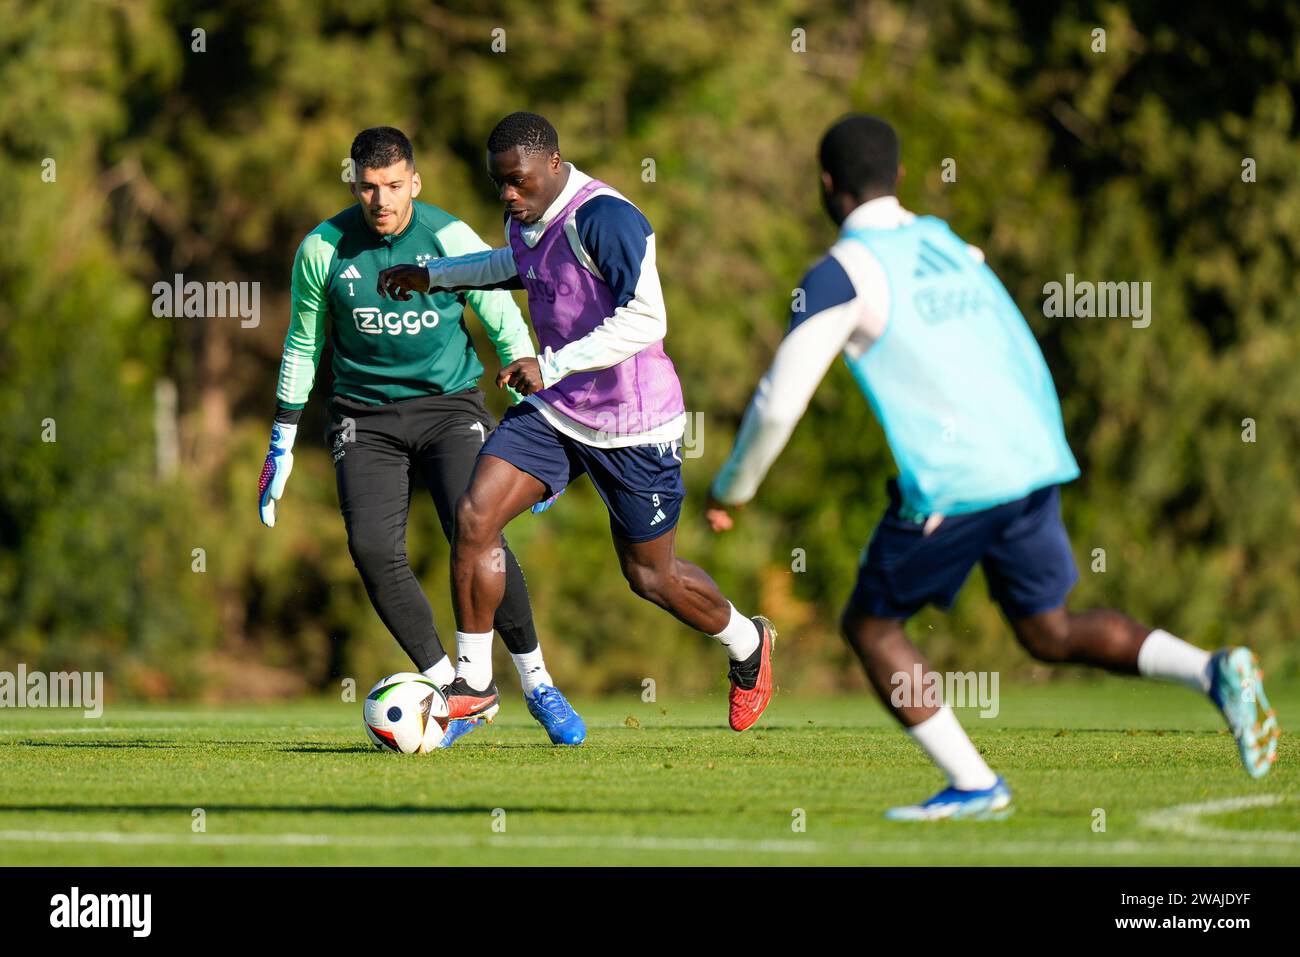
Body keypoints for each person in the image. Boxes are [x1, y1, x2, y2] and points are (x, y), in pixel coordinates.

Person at [705, 113, 1279, 819]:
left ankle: (976, 783)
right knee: (1049, 629)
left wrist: (733, 486)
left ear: (827, 185)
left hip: (960, 478)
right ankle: (1214, 670)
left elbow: (777, 404)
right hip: (1030, 456)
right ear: (902, 177)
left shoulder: (842, 272)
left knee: (873, 627)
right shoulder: (948, 245)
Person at [376, 112, 776, 731]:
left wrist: (551, 362)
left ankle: (748, 643)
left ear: (554, 165)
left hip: (635, 425)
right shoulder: (525, 216)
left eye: (518, 181)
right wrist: (433, 276)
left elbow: (647, 319)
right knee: (475, 514)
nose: (508, 195)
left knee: (651, 576)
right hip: (560, 411)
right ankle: (475, 681)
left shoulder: (607, 219)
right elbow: (511, 265)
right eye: (498, 184)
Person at [259, 125, 585, 747]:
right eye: (367, 188)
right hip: (364, 418)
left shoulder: (449, 238)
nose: (379, 201)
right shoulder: (322, 249)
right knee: (372, 549)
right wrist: (281, 438)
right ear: (353, 185)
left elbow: (504, 321)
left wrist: (539, 421)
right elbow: (303, 343)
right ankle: (450, 694)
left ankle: (537, 680)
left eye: (391, 186)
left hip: (449, 408)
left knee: (476, 528)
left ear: (415, 182)